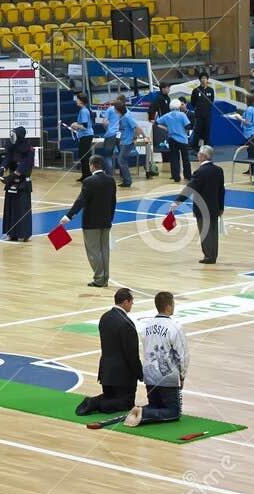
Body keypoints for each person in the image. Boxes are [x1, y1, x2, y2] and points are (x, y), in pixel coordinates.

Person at [75, 287, 141, 414]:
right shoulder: (127, 323)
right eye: (132, 301)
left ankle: (95, 402)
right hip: (122, 375)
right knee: (127, 403)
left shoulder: (104, 317)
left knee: (110, 396)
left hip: (106, 372)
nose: (132, 304)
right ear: (126, 302)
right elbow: (131, 354)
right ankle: (94, 402)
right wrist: (139, 373)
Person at [127, 291, 189, 427]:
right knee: (174, 412)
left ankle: (143, 411)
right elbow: (183, 355)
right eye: (173, 304)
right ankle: (144, 413)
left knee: (155, 405)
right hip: (167, 377)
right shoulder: (175, 327)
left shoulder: (146, 326)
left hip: (149, 375)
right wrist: (182, 376)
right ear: (168, 307)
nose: (174, 307)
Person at [57, 156, 117, 287]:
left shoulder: (89, 181)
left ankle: (99, 279)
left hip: (91, 223)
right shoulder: (111, 180)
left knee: (94, 252)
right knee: (104, 251)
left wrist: (69, 216)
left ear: (92, 166)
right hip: (106, 221)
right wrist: (110, 219)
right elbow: (113, 202)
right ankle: (104, 277)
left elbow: (81, 200)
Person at [172, 144, 226, 265]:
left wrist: (177, 201)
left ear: (202, 156)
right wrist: (221, 207)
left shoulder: (199, 172)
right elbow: (221, 190)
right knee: (213, 232)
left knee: (205, 232)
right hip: (214, 207)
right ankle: (213, 255)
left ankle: (208, 256)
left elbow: (189, 189)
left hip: (202, 208)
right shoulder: (218, 170)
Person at [0, 127, 33, 242]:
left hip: (22, 181)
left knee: (21, 208)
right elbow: (7, 159)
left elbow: (24, 165)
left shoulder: (28, 149)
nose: (12, 137)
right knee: (10, 207)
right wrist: (1, 170)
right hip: (11, 180)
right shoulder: (11, 146)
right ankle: (10, 233)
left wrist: (12, 176)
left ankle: (23, 234)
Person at [159, 97, 193, 182]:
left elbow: (157, 123)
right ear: (178, 106)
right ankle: (187, 176)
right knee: (185, 158)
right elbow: (188, 126)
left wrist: (167, 128)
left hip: (171, 139)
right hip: (182, 139)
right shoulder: (182, 115)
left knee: (174, 159)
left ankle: (176, 176)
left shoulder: (167, 115)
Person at [67, 92, 95, 181]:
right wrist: (76, 124)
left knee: (85, 157)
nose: (76, 101)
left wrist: (75, 125)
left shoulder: (83, 111)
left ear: (81, 101)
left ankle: (88, 176)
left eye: (77, 99)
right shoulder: (85, 109)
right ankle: (84, 175)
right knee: (83, 157)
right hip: (85, 135)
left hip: (86, 135)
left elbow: (84, 126)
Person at [115, 96, 140, 188]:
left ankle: (127, 180)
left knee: (121, 160)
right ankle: (126, 179)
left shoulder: (127, 117)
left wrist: (135, 138)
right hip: (123, 140)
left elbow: (136, 127)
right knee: (122, 160)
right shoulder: (121, 117)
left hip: (127, 141)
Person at [189, 71, 215, 148]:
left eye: (205, 78)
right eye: (202, 78)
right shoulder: (196, 90)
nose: (204, 80)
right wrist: (198, 109)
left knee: (207, 131)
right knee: (198, 131)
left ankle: (207, 147)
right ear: (200, 80)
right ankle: (195, 147)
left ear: (207, 79)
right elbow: (193, 102)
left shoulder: (211, 90)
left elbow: (212, 101)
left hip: (207, 115)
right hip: (199, 115)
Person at [98, 99, 120, 177]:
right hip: (121, 134)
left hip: (111, 134)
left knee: (108, 156)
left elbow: (104, 122)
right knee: (121, 156)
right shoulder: (123, 110)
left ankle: (109, 176)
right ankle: (123, 175)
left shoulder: (110, 109)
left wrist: (107, 129)